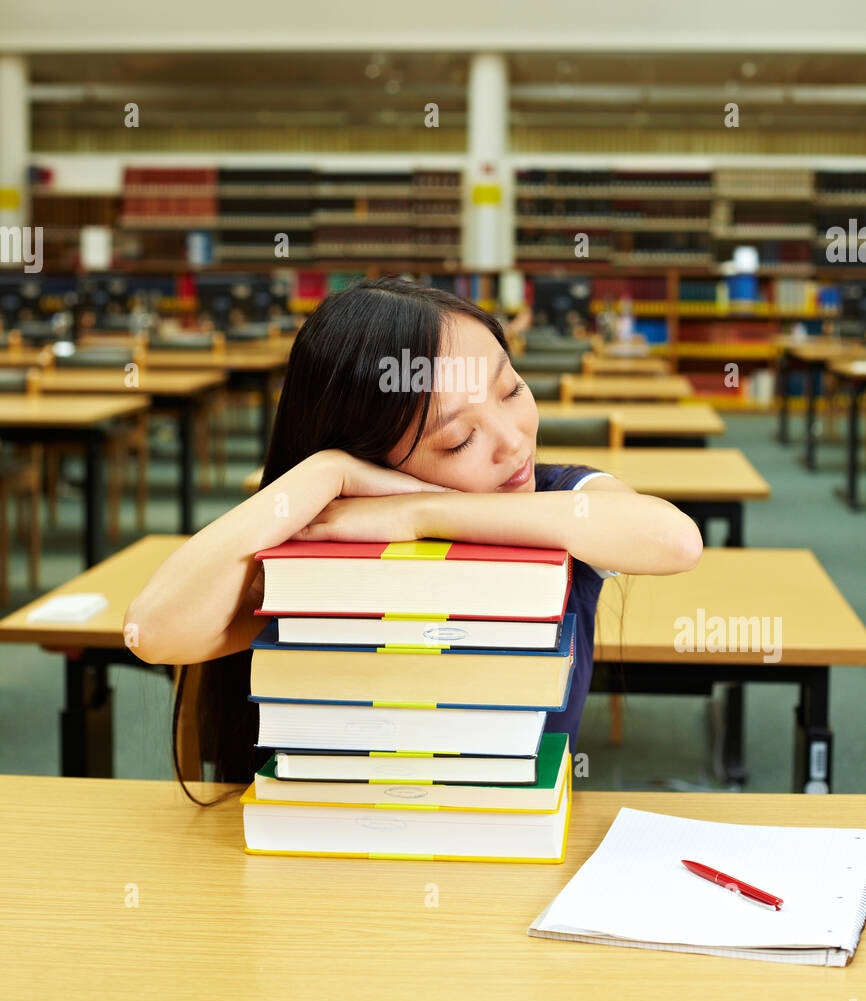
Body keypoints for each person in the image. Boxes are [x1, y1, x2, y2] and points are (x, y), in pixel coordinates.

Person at [125, 277, 702, 802]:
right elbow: (152, 630)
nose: (512, 441)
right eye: (458, 439)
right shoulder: (331, 543)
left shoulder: (558, 502)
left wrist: (424, 513)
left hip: (509, 842)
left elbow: (675, 541)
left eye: (511, 390)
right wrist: (325, 472)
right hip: (336, 847)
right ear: (369, 456)